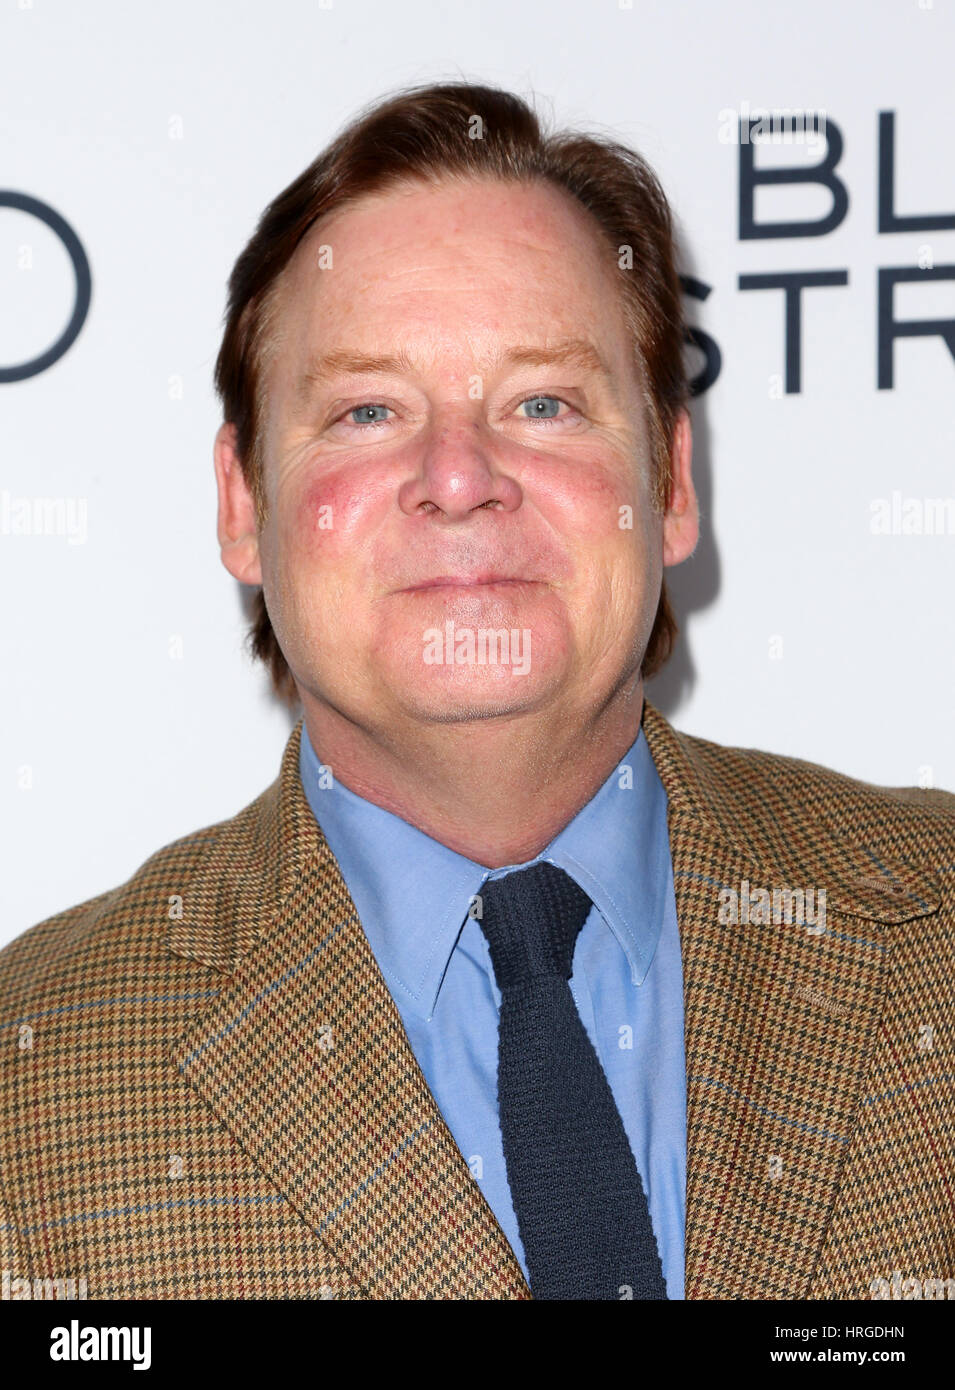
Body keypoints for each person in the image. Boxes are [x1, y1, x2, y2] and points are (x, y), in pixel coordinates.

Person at [1, 81, 952, 1302]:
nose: (459, 477)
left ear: (668, 485)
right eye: (368, 409)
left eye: (542, 403)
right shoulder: (34, 1088)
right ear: (245, 507)